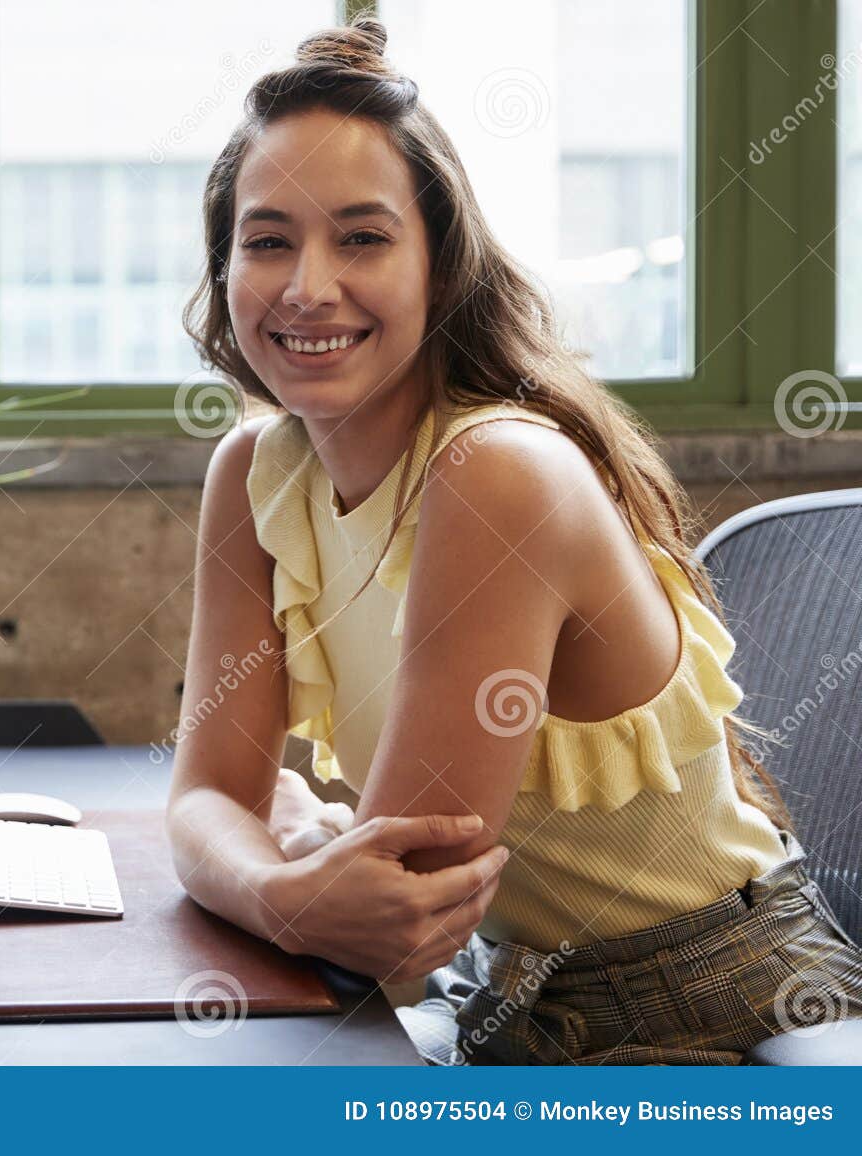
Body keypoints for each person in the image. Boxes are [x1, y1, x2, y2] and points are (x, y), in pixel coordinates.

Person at [164, 13, 862, 1064]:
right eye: (268, 240)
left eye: (360, 236)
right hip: (510, 990)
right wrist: (288, 877)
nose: (307, 285)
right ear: (225, 271)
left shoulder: (493, 472)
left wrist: (297, 851)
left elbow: (401, 906)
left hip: (715, 1004)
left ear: (440, 270)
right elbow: (207, 795)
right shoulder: (255, 475)